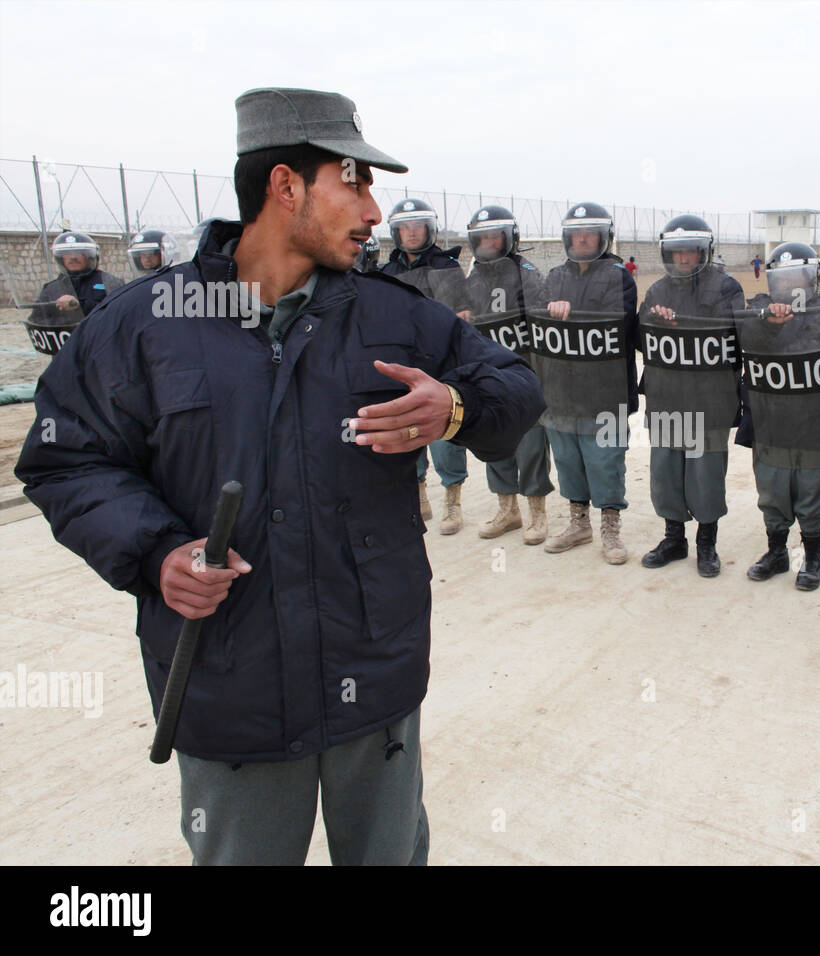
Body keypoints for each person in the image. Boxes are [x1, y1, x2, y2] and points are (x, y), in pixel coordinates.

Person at [15, 87, 545, 865]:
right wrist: (157, 553)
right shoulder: (141, 325)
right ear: (286, 185)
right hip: (229, 689)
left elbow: (517, 389)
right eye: (354, 181)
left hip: (376, 676)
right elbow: (66, 459)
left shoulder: (393, 315)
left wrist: (456, 410)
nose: (374, 210)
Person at [737, 241, 820, 591]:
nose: (791, 285)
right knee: (772, 489)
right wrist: (768, 320)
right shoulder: (758, 307)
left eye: (798, 276)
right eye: (783, 279)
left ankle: (812, 555)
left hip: (815, 421)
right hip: (771, 420)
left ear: (814, 276)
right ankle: (777, 551)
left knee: (813, 488)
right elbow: (745, 331)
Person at [637, 214, 745, 576]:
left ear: (705, 252)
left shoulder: (727, 288)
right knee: (666, 473)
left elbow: (738, 338)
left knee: (706, 475)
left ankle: (707, 543)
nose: (683, 260)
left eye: (691, 253)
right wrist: (654, 318)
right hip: (667, 397)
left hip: (710, 400)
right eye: (677, 253)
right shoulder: (656, 290)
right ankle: (674, 538)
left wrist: (683, 324)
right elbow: (641, 338)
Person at [538, 202, 639, 563]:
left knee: (605, 461)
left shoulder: (618, 275)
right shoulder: (553, 276)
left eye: (589, 233)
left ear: (603, 236)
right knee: (568, 459)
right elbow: (536, 314)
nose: (582, 239)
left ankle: (610, 528)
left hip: (605, 391)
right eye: (576, 233)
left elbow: (620, 323)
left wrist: (571, 313)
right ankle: (578, 523)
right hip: (562, 390)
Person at [463, 204, 554, 543]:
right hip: (488, 375)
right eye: (482, 236)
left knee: (530, 444)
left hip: (523, 372)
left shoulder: (525, 272)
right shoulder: (473, 276)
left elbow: (543, 323)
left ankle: (538, 513)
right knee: (494, 439)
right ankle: (508, 509)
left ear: (509, 238)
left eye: (494, 235)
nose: (488, 242)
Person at [381, 197, 473, 528]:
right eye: (404, 227)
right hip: (402, 364)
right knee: (408, 431)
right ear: (395, 232)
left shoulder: (446, 267)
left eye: (417, 226)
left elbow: (458, 316)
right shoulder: (386, 271)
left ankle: (453, 502)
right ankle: (419, 495)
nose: (411, 233)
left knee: (445, 433)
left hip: (440, 363)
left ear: (429, 229)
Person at [27, 231, 124, 328]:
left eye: (79, 253)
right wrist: (66, 323)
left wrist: (79, 306)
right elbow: (36, 320)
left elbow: (119, 315)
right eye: (67, 254)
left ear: (89, 257)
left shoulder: (110, 283)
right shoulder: (51, 288)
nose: (73, 258)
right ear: (60, 259)